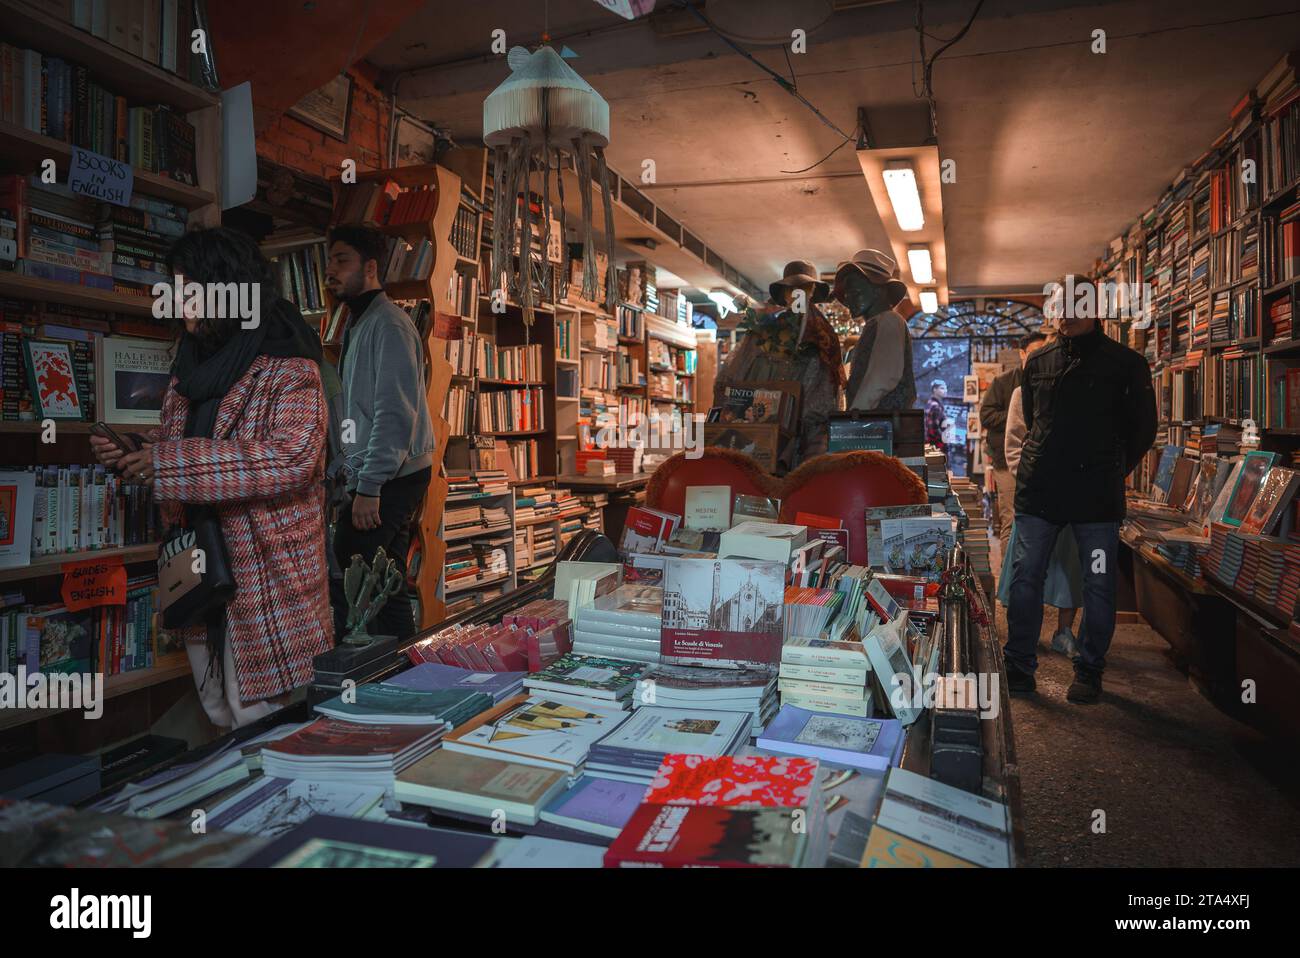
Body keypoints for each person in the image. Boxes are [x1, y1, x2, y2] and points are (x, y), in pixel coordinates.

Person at [91, 227, 332, 728]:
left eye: (191, 292)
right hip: (200, 565)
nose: (181, 305)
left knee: (258, 713)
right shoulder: (191, 364)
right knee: (218, 708)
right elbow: (195, 445)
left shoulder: (290, 364)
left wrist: (171, 465)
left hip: (266, 570)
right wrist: (140, 454)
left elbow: (292, 458)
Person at [1005, 277, 1158, 703]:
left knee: (1098, 582)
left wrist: (1110, 469)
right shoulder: (1038, 363)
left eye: (1077, 305)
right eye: (1060, 306)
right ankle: (1018, 665)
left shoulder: (1126, 365)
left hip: (1095, 498)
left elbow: (1143, 429)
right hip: (1041, 493)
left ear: (1097, 310)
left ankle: (1089, 670)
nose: (1066, 314)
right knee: (1026, 577)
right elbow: (1036, 423)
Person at [325, 224, 434, 641]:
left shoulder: (388, 324)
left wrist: (369, 487)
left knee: (357, 559)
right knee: (384, 571)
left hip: (393, 474)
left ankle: (392, 662)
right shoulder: (360, 321)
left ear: (370, 268)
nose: (331, 271)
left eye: (342, 260)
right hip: (380, 471)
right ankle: (403, 663)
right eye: (330, 261)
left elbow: (394, 413)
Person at [713, 259, 845, 469]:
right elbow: (735, 373)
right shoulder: (765, 329)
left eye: (803, 288)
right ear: (784, 293)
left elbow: (829, 386)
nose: (796, 294)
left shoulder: (823, 335)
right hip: (761, 421)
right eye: (792, 289)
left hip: (805, 428)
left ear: (812, 291)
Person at [997, 331, 1081, 657]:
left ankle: (1064, 631)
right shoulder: (1022, 393)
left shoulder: (1077, 390)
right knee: (1026, 568)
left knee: (1070, 567)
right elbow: (1014, 446)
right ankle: (1022, 637)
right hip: (1035, 495)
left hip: (1073, 494)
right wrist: (1029, 481)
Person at [981, 333, 1045, 557]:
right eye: (1034, 352)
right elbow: (986, 416)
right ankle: (1008, 583)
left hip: (1039, 463)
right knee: (1010, 519)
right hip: (1005, 461)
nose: (1039, 358)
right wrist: (1016, 414)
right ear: (1022, 354)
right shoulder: (1004, 383)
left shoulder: (1049, 381)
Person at [840, 249, 915, 411]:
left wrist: (856, 414)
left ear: (878, 290)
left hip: (880, 424)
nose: (847, 298)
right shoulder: (878, 324)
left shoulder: (889, 321)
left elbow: (882, 377)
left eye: (855, 291)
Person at [924, 379, 948, 447]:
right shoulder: (935, 406)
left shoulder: (930, 402)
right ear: (934, 389)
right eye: (942, 388)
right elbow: (933, 428)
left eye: (946, 388)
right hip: (936, 444)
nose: (945, 390)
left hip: (930, 443)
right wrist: (944, 439)